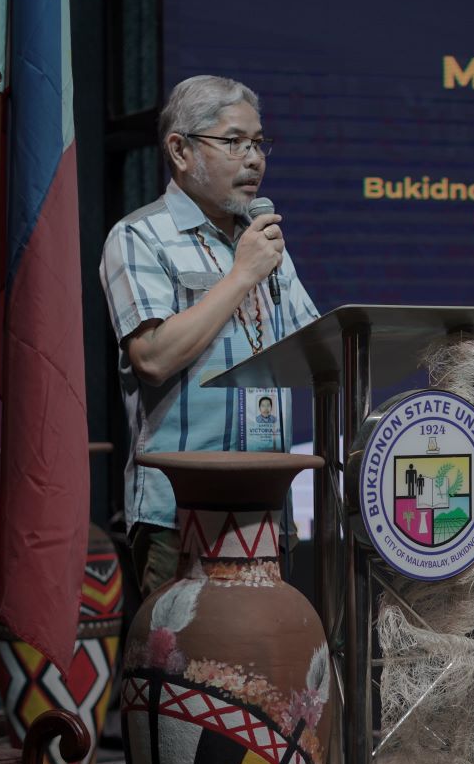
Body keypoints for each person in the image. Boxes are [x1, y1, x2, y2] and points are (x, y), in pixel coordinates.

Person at [100, 75, 320, 595]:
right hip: (179, 514)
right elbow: (153, 358)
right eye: (234, 142)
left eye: (259, 143)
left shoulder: (262, 243)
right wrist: (241, 276)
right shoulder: (140, 236)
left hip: (268, 506)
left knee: (271, 652)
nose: (254, 160)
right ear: (180, 150)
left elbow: (316, 348)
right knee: (186, 651)